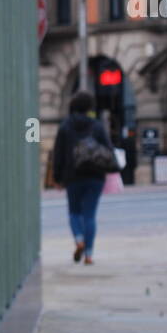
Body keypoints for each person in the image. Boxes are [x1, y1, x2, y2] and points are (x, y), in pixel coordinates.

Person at [51, 91, 115, 265]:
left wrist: (56, 177)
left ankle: (79, 240)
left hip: (72, 175)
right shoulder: (97, 126)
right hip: (95, 175)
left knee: (74, 212)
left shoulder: (65, 127)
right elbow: (108, 150)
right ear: (89, 107)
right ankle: (88, 254)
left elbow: (58, 154)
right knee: (90, 215)